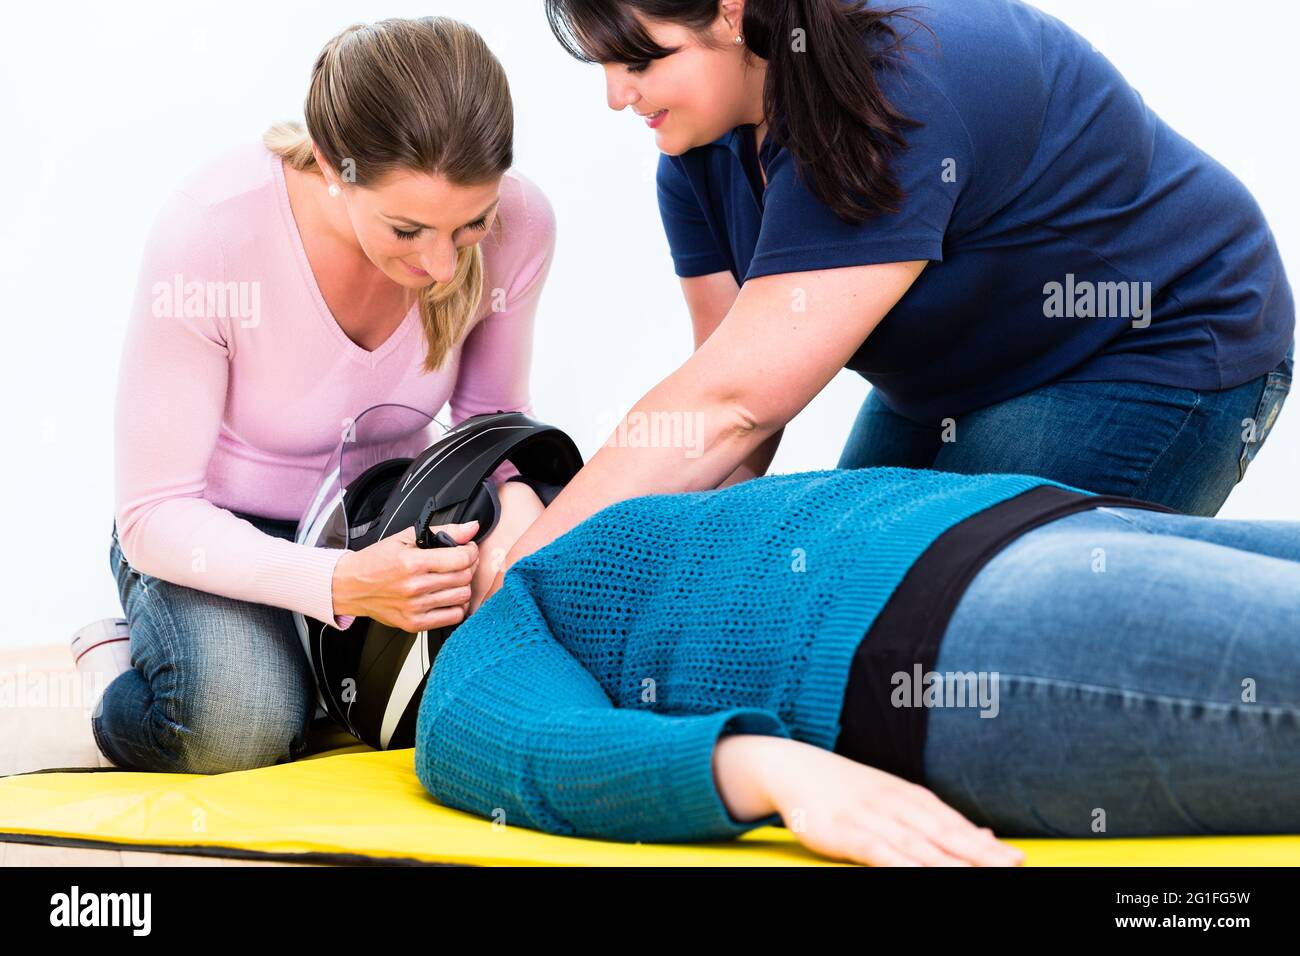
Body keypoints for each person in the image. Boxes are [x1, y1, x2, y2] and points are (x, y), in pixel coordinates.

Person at [481, 0, 1296, 604]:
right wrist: (651, 573)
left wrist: (528, 568)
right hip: (959, 378)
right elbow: (726, 406)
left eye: (642, 60)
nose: (616, 96)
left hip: (1157, 342)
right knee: (828, 591)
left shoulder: (891, 87)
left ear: (731, 12)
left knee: (933, 614)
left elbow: (733, 403)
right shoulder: (694, 157)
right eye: (603, 65)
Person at [74, 17, 557, 773]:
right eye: (407, 230)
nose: (440, 265)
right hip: (216, 535)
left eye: (470, 226)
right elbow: (154, 511)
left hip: (383, 519)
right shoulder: (213, 229)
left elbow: (488, 420)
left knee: (512, 680)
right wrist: (341, 584)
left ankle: (303, 667)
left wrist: (518, 510)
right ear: (334, 166)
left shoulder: (521, 221)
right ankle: (115, 662)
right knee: (238, 729)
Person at [416, 466, 1300, 867]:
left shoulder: (617, 521)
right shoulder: (507, 617)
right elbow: (522, 746)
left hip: (1054, 523)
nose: (513, 489)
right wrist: (773, 770)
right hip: (954, 627)